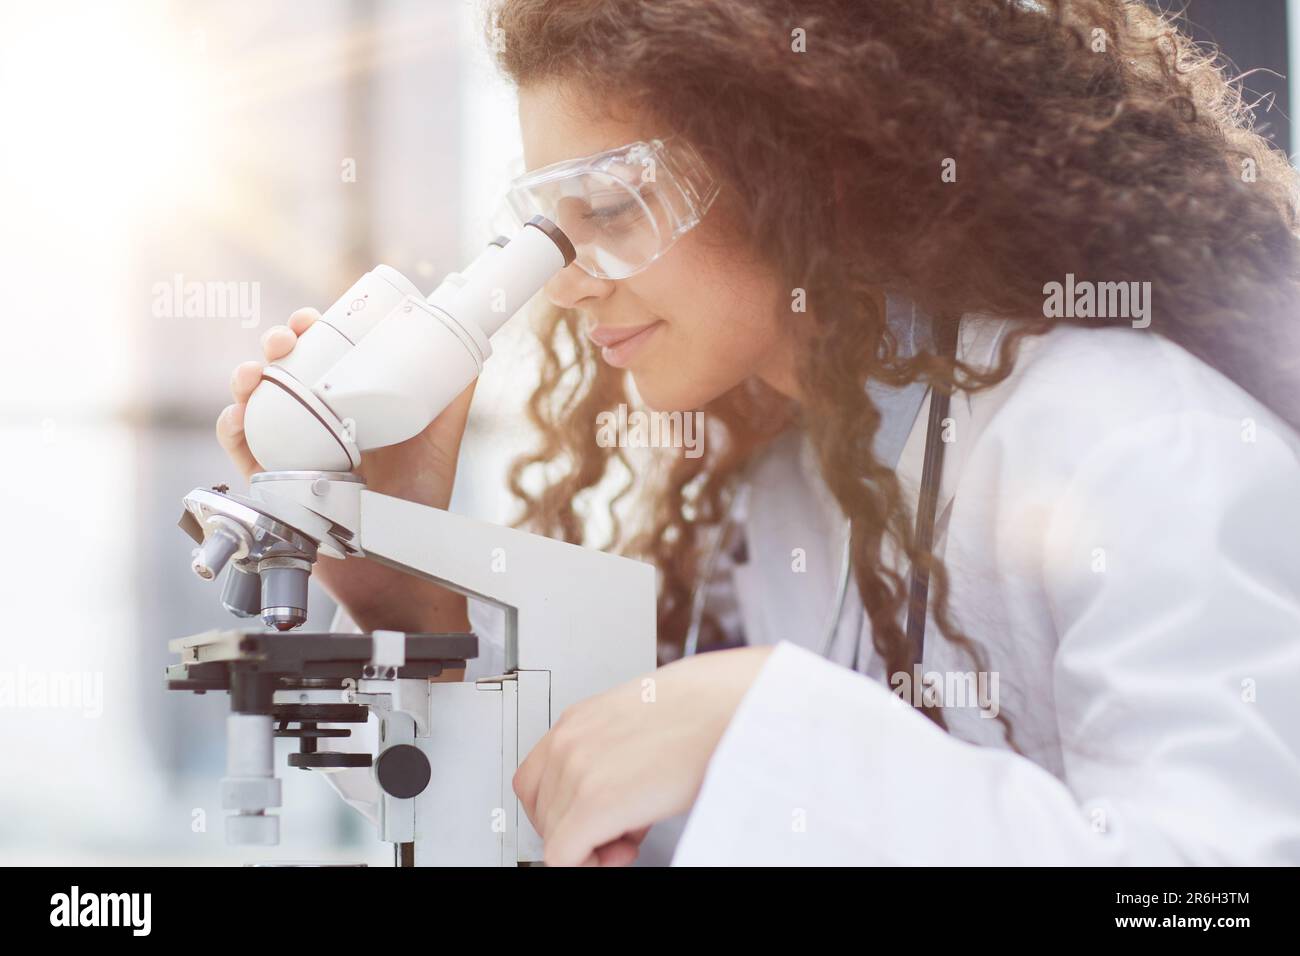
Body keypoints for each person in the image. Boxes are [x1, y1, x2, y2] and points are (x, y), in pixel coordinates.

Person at [216, 0, 1300, 865]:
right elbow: (596, 829)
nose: (568, 287)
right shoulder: (790, 476)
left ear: (815, 163)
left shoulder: (1143, 442)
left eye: (608, 208)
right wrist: (410, 586)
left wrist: (768, 722)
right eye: (550, 231)